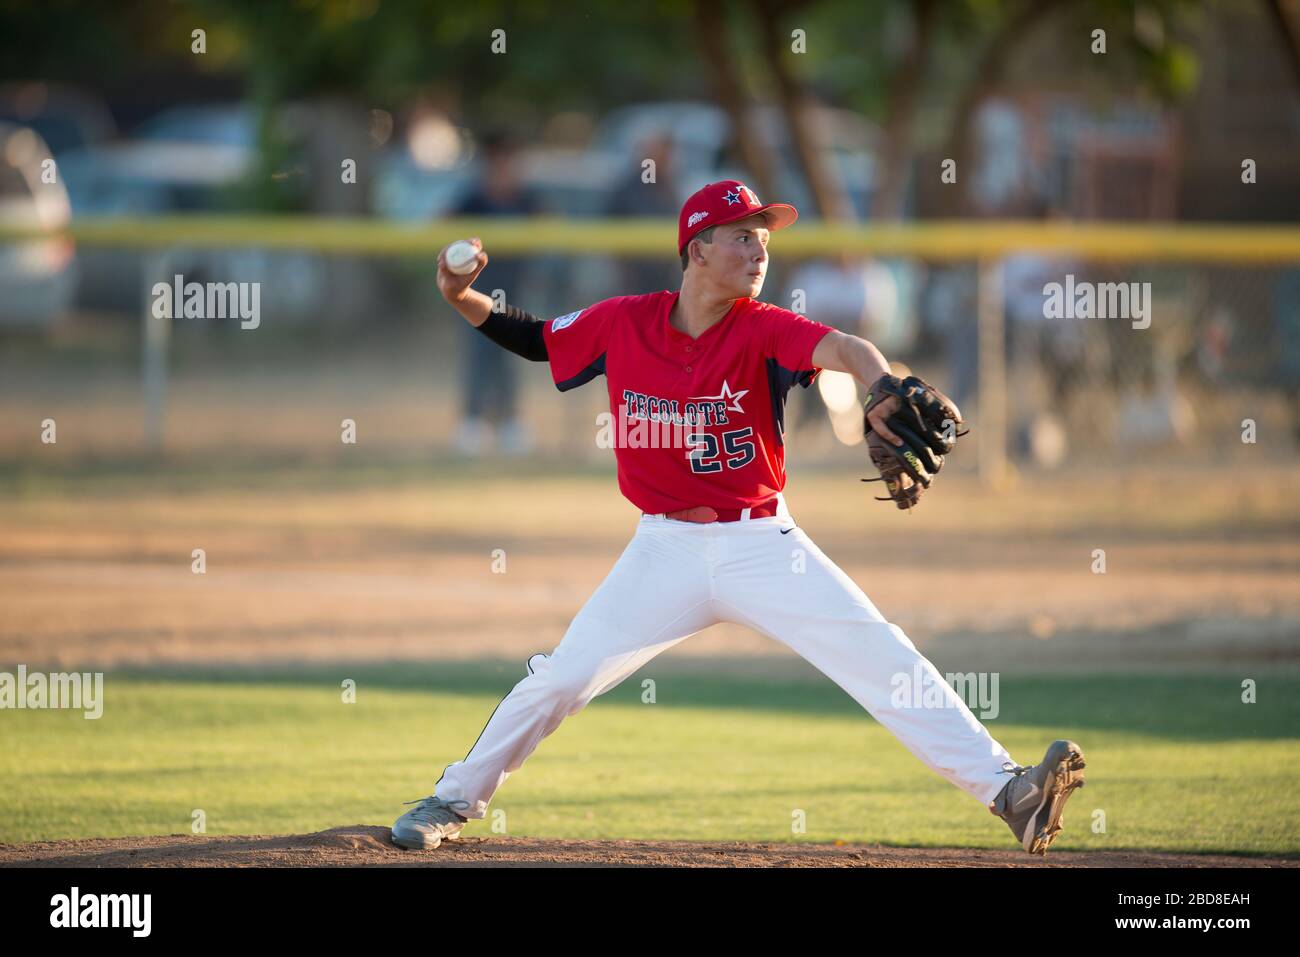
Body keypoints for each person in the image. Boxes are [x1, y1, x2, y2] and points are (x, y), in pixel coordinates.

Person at [393, 179, 1086, 856]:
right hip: (662, 550)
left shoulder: (764, 329)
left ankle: (1011, 794)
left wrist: (883, 381)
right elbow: (536, 336)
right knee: (562, 678)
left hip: (763, 544)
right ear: (696, 251)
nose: (760, 251)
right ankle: (452, 799)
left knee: (883, 657)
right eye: (743, 238)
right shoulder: (624, 322)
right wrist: (462, 298)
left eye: (764, 239)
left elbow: (842, 346)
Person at [447, 130, 539, 456]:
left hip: (512, 295)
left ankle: (510, 423)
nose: (504, 168)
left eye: (509, 161)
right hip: (475, 295)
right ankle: (472, 424)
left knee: (509, 358)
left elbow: (550, 229)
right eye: (498, 161)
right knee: (479, 358)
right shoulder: (474, 199)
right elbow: (441, 224)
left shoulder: (527, 199)